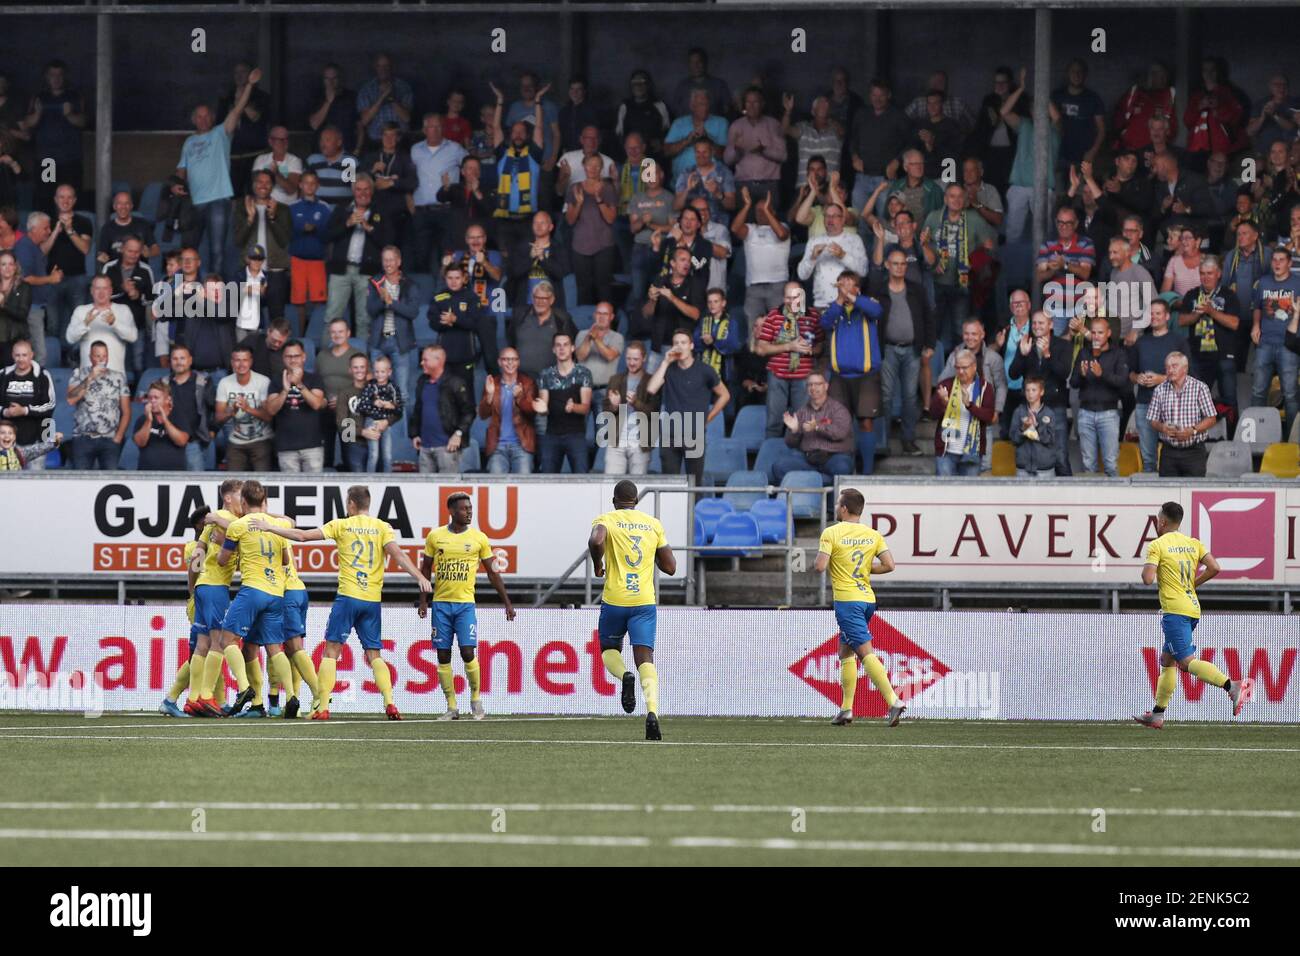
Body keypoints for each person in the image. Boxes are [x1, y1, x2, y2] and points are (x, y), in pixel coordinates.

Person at [252, 484, 432, 720]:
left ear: (350, 504)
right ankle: (390, 703)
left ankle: (323, 707)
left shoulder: (341, 525)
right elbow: (397, 554)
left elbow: (303, 536)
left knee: (331, 652)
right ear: (368, 504)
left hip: (348, 597)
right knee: (374, 654)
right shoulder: (382, 527)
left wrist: (269, 527)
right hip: (371, 601)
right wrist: (420, 577)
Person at [1134, 501, 1253, 729]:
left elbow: (1148, 579)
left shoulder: (1157, 545)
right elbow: (1215, 567)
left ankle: (1233, 686)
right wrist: (1192, 584)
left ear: (1162, 521)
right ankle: (1157, 714)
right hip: (1192, 607)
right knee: (1167, 660)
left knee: (1186, 663)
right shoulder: (1193, 543)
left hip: (1174, 611)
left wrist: (1150, 568)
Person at [588, 479, 676, 741]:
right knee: (645, 658)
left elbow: (596, 540)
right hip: (644, 602)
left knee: (609, 650)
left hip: (615, 599)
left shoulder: (607, 518)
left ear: (615, 501)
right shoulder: (653, 524)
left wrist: (597, 563)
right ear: (636, 501)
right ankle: (652, 713)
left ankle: (624, 675)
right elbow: (671, 567)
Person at [417, 492, 517, 720]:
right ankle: (452, 707)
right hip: (441, 605)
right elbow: (425, 569)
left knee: (467, 651)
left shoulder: (479, 538)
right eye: (464, 508)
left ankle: (476, 699)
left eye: (470, 508)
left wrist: (507, 603)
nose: (469, 512)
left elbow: (493, 573)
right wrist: (424, 600)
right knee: (443, 655)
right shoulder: (435, 536)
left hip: (465, 605)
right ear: (452, 511)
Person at [814, 488, 904, 728]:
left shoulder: (831, 533)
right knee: (845, 652)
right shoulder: (873, 534)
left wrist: (829, 559)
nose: (836, 508)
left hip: (847, 600)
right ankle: (846, 710)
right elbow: (889, 565)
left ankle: (893, 701)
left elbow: (820, 566)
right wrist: (865, 568)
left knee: (865, 652)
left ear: (844, 508)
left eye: (838, 505)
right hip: (867, 599)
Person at [174, 67, 263, 279]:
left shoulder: (220, 134)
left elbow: (238, 110)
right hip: (195, 202)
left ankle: (217, 299)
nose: (203, 120)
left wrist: (249, 85)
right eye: (199, 116)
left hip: (218, 201)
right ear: (194, 120)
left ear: (212, 119)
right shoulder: (188, 142)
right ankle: (189, 293)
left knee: (217, 252)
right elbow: (181, 169)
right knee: (190, 251)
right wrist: (176, 184)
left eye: (207, 116)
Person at [211, 480, 288, 717]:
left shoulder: (238, 526)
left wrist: (220, 542)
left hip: (253, 589)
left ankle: (244, 689)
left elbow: (223, 560)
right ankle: (293, 696)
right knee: (275, 648)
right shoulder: (277, 524)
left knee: (227, 640)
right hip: (276, 593)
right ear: (264, 502)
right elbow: (285, 560)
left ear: (243, 502)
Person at [182, 478, 244, 717]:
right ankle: (206, 697)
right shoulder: (232, 521)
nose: (243, 501)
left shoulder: (212, 521)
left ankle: (192, 698)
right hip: (217, 586)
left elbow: (198, 553)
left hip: (202, 587)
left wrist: (192, 588)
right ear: (228, 497)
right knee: (220, 642)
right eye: (240, 496)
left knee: (202, 644)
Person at [870, 248, 933, 456]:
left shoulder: (917, 289)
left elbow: (928, 315)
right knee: (885, 396)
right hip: (887, 348)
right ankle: (883, 441)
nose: (900, 267)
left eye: (903, 263)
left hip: (912, 349)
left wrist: (929, 344)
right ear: (887, 265)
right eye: (895, 263)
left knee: (909, 397)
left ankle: (908, 440)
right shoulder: (878, 290)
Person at [820, 271, 884, 473]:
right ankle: (846, 469)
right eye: (842, 284)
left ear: (858, 288)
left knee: (866, 422)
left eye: (850, 284)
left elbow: (877, 311)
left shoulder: (867, 305)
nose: (846, 288)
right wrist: (840, 299)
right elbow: (825, 323)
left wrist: (853, 297)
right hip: (839, 377)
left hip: (866, 376)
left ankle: (867, 472)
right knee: (840, 425)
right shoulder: (833, 308)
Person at [646, 328, 729, 481]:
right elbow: (651, 389)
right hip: (670, 435)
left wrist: (708, 418)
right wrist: (665, 362)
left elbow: (725, 395)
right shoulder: (668, 369)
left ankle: (693, 506)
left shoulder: (705, 370)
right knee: (669, 486)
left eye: (683, 342)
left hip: (694, 434)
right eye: (676, 343)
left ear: (691, 345)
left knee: (694, 484)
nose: (679, 346)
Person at [324, 174, 392, 341]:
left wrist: (369, 228)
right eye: (359, 189)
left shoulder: (381, 211)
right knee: (332, 316)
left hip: (367, 272)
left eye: (366, 189)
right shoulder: (342, 209)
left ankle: (362, 361)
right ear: (353, 192)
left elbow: (388, 242)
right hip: (341, 269)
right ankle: (327, 359)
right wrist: (347, 224)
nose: (362, 193)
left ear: (372, 191)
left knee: (364, 318)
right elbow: (327, 235)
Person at [158, 505, 211, 718]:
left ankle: (209, 701)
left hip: (204, 601)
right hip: (199, 603)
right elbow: (197, 571)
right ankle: (171, 699)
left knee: (209, 652)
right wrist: (194, 594)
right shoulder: (193, 547)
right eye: (209, 521)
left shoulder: (204, 544)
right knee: (199, 652)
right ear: (201, 525)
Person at [754, 281, 822, 438]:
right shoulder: (773, 315)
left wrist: (809, 350)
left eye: (795, 297)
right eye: (787, 298)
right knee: (773, 423)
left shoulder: (813, 316)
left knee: (802, 423)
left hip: (804, 377)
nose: (791, 302)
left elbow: (820, 346)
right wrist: (789, 346)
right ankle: (770, 458)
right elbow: (762, 348)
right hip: (777, 375)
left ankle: (799, 461)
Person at [1129, 299, 1188, 473]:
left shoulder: (1178, 341)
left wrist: (1161, 379)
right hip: (1145, 404)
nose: (1154, 317)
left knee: (1176, 456)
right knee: (1148, 460)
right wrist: (1137, 378)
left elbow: (1188, 374)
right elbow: (1130, 372)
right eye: (1151, 313)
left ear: (1167, 316)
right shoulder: (1141, 342)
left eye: (1158, 313)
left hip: (1172, 405)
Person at [1068, 317, 1129, 476]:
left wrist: (1102, 374)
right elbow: (1073, 383)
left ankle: (1115, 500)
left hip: (1108, 414)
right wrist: (1081, 375)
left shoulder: (1118, 354)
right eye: (1093, 332)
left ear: (1108, 333)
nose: (1096, 336)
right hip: (1085, 412)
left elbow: (1122, 381)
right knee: (1088, 464)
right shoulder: (1083, 353)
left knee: (1110, 463)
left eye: (1100, 332)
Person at [771, 372, 855, 485]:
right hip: (808, 460)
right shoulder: (801, 412)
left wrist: (817, 427)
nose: (813, 388)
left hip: (833, 457)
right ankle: (800, 499)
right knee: (779, 467)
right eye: (810, 385)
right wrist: (795, 430)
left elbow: (840, 433)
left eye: (817, 384)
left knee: (842, 467)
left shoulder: (838, 409)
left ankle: (832, 501)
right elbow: (790, 443)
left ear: (826, 386)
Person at [1251, 247, 1300, 426]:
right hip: (1265, 343)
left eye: (1281, 260)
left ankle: (1293, 440)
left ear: (1290, 263)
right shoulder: (1263, 282)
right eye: (1274, 260)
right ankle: (1257, 435)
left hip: (1289, 344)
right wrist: (1256, 325)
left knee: (1291, 394)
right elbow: (1257, 307)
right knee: (1258, 391)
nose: (1277, 263)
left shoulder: (1298, 283)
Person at [1147, 351, 1217, 477]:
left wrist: (1192, 430)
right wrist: (1162, 427)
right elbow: (1153, 420)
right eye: (1167, 367)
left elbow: (1211, 418)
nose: (1170, 370)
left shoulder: (1200, 388)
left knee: (1194, 491)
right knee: (1167, 494)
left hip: (1194, 452)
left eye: (1174, 366)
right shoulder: (1159, 390)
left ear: (1185, 368)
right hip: (1169, 451)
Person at [929, 347, 996, 476]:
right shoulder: (946, 385)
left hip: (972, 452)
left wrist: (969, 405)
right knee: (945, 493)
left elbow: (988, 416)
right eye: (957, 367)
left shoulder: (985, 388)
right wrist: (943, 404)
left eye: (964, 367)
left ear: (974, 366)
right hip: (947, 451)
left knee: (969, 495)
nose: (960, 371)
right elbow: (932, 414)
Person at [534, 331, 593, 473]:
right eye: (558, 345)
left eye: (565, 345)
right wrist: (542, 409)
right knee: (547, 480)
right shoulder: (546, 374)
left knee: (582, 479)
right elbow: (545, 407)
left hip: (576, 434)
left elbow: (586, 408)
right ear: (553, 349)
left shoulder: (583, 373)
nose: (562, 348)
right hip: (552, 434)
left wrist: (573, 407)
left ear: (572, 348)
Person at [408, 344, 474, 473]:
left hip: (447, 448)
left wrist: (458, 434)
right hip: (424, 448)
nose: (421, 363)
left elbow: (469, 411)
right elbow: (418, 409)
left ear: (438, 361)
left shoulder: (455, 382)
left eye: (425, 360)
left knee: (447, 491)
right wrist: (414, 434)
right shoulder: (422, 381)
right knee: (425, 491)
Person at [366, 245, 419, 402]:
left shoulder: (409, 284)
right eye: (385, 260)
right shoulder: (375, 282)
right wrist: (383, 301)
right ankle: (377, 426)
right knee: (376, 391)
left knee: (401, 393)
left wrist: (391, 302)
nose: (388, 263)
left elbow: (413, 312)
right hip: (378, 341)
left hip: (399, 342)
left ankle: (401, 427)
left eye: (391, 260)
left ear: (399, 261)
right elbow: (370, 310)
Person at [66, 340, 129, 470]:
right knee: (81, 481)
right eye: (97, 356)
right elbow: (71, 400)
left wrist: (119, 436)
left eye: (104, 356)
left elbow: (126, 411)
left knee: (111, 480)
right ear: (90, 357)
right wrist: (90, 378)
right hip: (83, 437)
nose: (101, 359)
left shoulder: (119, 377)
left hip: (110, 439)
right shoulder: (78, 374)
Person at [265, 340, 327, 472]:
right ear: (283, 358)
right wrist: (285, 390)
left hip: (312, 446)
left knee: (315, 488)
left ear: (304, 357)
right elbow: (270, 410)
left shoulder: (314, 379)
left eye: (296, 356)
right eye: (289, 356)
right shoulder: (276, 381)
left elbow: (316, 404)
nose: (293, 360)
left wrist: (299, 385)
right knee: (290, 491)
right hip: (286, 447)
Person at [215, 344, 275, 471]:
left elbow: (269, 416)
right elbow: (218, 417)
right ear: (232, 362)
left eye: (245, 360)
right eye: (237, 360)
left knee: (262, 485)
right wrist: (232, 411)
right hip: (235, 441)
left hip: (261, 439)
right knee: (233, 487)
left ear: (251, 361)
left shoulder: (263, 381)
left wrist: (248, 409)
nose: (241, 364)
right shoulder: (224, 383)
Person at [796, 203, 868, 309]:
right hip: (821, 305)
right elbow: (802, 275)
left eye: (834, 216)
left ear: (842, 219)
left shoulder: (855, 240)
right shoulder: (814, 241)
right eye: (827, 216)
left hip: (848, 304)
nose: (830, 219)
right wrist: (812, 258)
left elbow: (863, 271)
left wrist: (843, 256)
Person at [478, 346, 537, 475]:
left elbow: (532, 413)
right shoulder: (493, 383)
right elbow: (482, 414)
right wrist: (489, 395)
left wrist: (520, 398)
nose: (510, 363)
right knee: (495, 489)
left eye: (513, 359)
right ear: (499, 362)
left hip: (522, 445)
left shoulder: (527, 383)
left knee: (523, 489)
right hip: (497, 446)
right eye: (506, 359)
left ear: (518, 362)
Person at [602, 341, 657, 476]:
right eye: (628, 358)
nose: (631, 363)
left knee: (638, 488)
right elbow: (605, 412)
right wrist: (614, 405)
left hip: (640, 443)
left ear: (644, 358)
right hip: (616, 441)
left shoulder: (652, 381)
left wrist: (635, 403)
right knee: (611, 486)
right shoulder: (615, 379)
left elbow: (654, 412)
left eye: (636, 359)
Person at [0, 339, 56, 469]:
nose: (21, 359)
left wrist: (25, 410)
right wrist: (5, 411)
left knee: (35, 485)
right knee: (9, 486)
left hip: (36, 441)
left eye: (24, 355)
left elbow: (50, 405)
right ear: (12, 355)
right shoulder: (3, 375)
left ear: (31, 355)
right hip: (7, 442)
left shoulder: (42, 375)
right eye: (17, 355)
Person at [65, 274, 137, 374]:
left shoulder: (123, 310)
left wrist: (114, 323)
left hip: (116, 378)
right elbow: (70, 338)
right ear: (91, 291)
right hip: (88, 378)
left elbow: (133, 337)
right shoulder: (81, 311)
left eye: (105, 288)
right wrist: (85, 323)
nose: (101, 292)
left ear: (111, 290)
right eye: (97, 288)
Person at [358, 353, 403, 473]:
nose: (379, 374)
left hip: (385, 423)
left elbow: (399, 409)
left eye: (383, 371)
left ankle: (388, 480)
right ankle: (369, 480)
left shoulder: (394, 387)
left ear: (389, 372)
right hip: (371, 421)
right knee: (374, 455)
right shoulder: (369, 386)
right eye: (377, 371)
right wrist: (374, 403)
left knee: (387, 455)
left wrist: (391, 405)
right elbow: (361, 406)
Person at [133, 380, 190, 471]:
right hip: (146, 474)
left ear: (168, 399)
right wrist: (148, 421)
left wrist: (165, 421)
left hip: (175, 475)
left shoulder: (179, 417)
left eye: (156, 398)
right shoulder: (142, 419)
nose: (152, 401)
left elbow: (181, 441)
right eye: (150, 398)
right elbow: (140, 442)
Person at [1007, 377, 1059, 478]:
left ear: (1042, 392)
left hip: (1045, 469)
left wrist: (1037, 426)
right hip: (1023, 469)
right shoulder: (1019, 412)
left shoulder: (1049, 413)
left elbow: (1050, 440)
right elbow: (1013, 439)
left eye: (1034, 390)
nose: (1030, 393)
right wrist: (1023, 428)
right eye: (1027, 390)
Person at [0, 249, 30, 368]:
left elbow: (22, 314)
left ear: (15, 267)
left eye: (11, 264)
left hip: (14, 341)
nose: (7, 268)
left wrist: (3, 305)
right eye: (3, 264)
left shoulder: (23, 287)